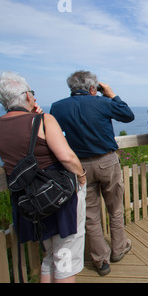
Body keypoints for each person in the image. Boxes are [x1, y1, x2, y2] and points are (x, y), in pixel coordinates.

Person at [0, 72, 87, 283]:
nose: (34, 98)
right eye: (32, 94)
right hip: (57, 198)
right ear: (26, 95)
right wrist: (81, 175)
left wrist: (35, 117)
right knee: (66, 257)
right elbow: (67, 157)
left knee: (49, 256)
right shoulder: (43, 121)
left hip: (28, 201)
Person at [50, 71, 134, 276]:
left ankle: (101, 260)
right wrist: (112, 94)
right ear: (92, 88)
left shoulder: (57, 107)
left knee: (91, 215)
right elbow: (128, 115)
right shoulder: (102, 103)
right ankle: (118, 248)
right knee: (115, 208)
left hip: (78, 167)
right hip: (106, 161)